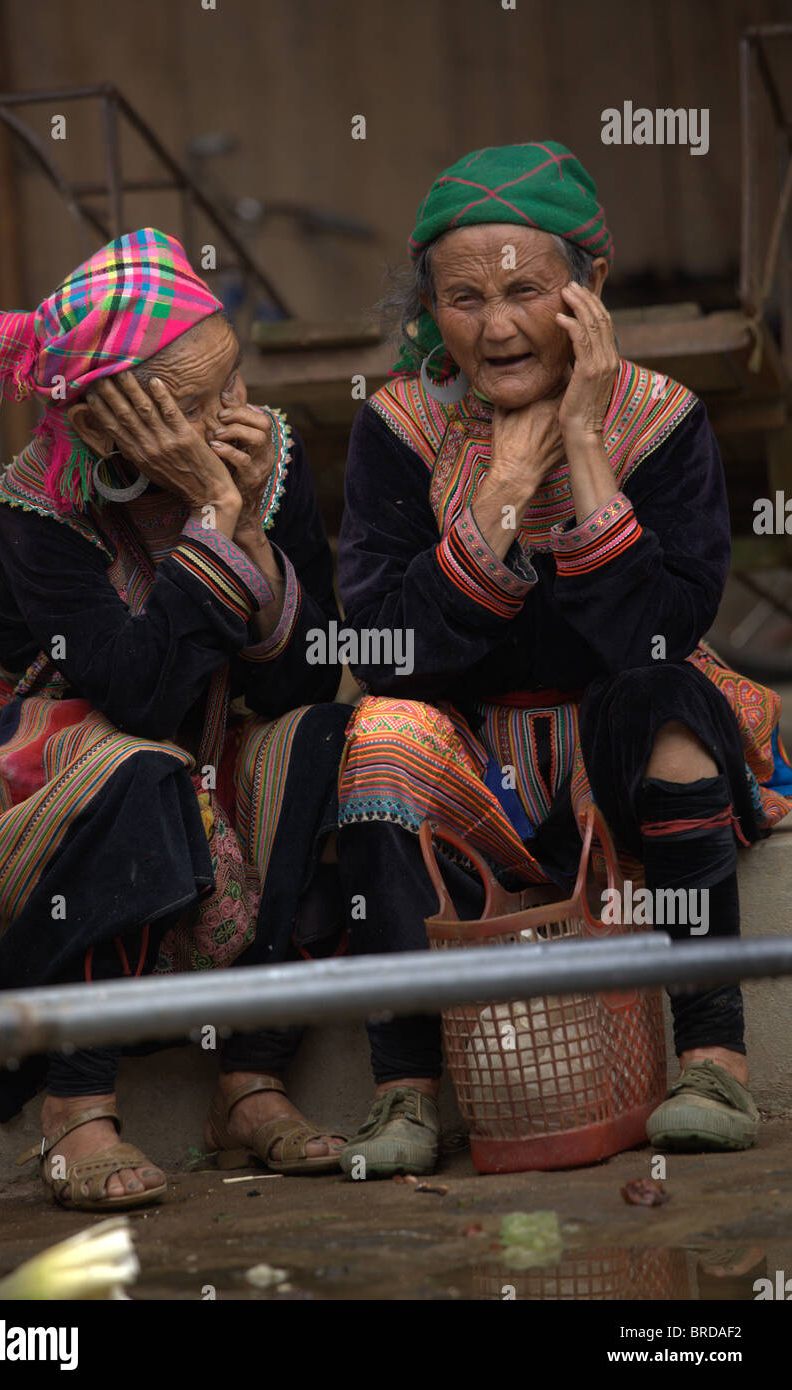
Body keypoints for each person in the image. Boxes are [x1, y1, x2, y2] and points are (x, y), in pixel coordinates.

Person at [335, 142, 792, 1177]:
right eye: (460, 297)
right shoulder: (398, 431)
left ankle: (712, 1060)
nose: (494, 326)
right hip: (471, 761)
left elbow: (656, 632)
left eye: (524, 290)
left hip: (612, 743)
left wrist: (582, 444)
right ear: (428, 311)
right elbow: (388, 649)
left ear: (590, 287)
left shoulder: (663, 422)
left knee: (669, 699)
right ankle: (401, 1092)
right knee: (376, 734)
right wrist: (502, 487)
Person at [0, 226, 349, 1210]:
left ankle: (250, 1079)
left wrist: (245, 521)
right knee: (143, 773)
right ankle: (77, 1108)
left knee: (327, 745)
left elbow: (299, 686)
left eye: (232, 385)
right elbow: (137, 693)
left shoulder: (263, 460)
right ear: (108, 425)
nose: (233, 419)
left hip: (178, 746)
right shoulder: (40, 511)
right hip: (25, 755)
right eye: (193, 407)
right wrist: (211, 510)